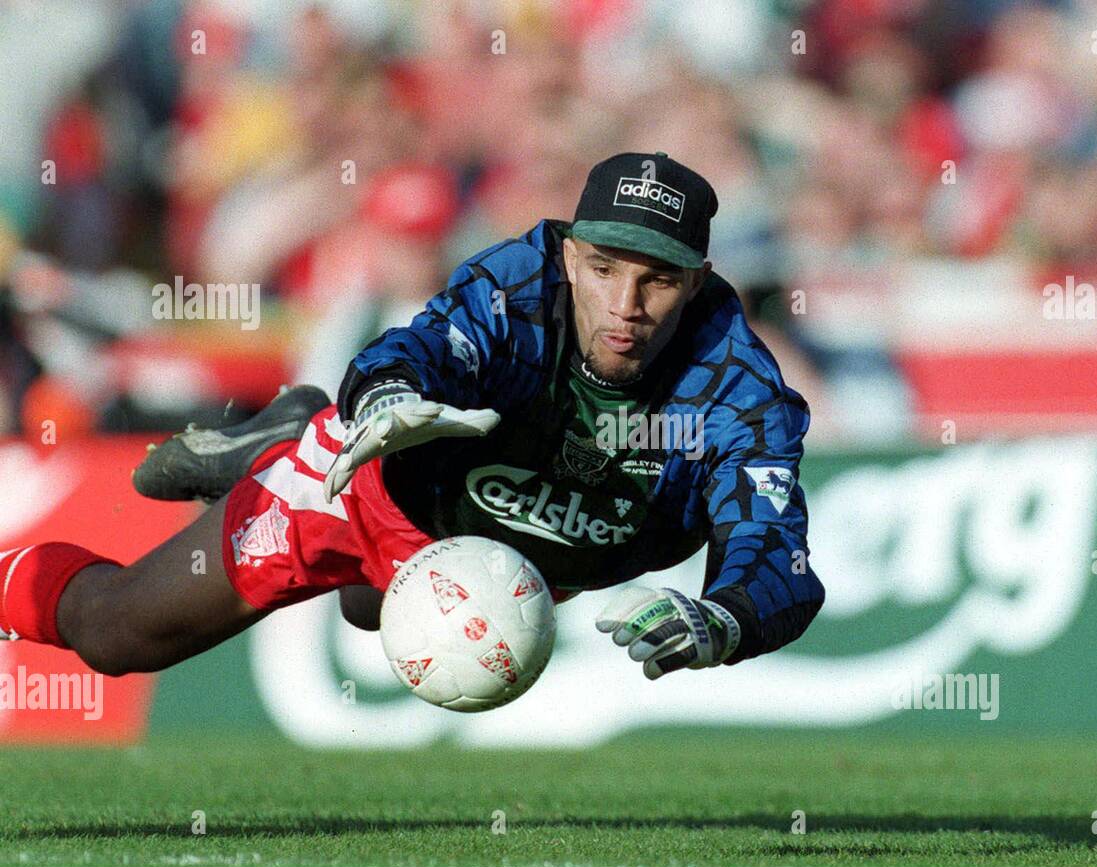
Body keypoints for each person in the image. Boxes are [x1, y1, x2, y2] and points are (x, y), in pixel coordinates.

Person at [1, 152, 824, 682]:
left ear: (701, 280)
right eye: (604, 268)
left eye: (659, 281)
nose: (625, 306)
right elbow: (415, 351)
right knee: (115, 636)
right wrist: (388, 400)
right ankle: (302, 439)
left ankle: (288, 430)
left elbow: (777, 559)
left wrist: (723, 620)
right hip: (371, 484)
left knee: (367, 609)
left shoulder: (738, 393)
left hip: (506, 547)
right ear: (571, 253)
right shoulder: (518, 288)